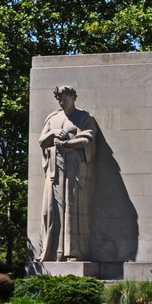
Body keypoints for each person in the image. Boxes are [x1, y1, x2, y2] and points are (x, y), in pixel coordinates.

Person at [39, 85, 97, 261]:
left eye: (65, 98)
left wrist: (69, 144)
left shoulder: (83, 117)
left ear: (73, 97)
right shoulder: (53, 118)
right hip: (54, 170)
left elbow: (89, 138)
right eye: (60, 99)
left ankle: (73, 252)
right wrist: (54, 132)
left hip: (74, 169)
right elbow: (42, 140)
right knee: (50, 210)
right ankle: (52, 252)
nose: (62, 102)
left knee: (72, 209)